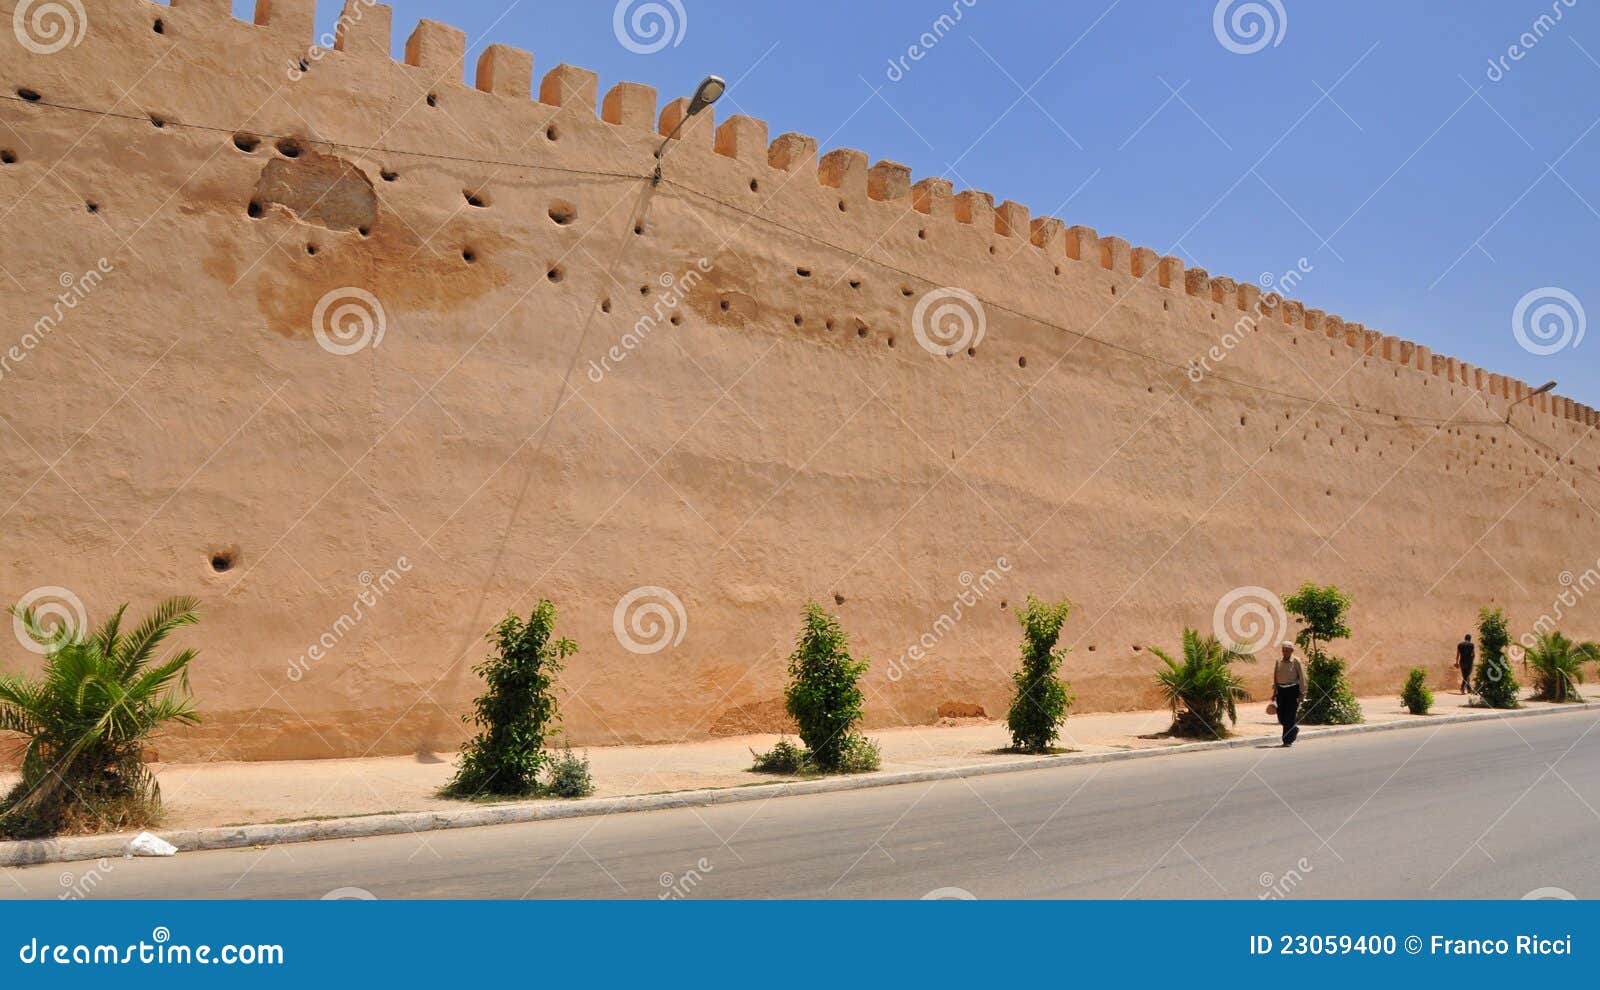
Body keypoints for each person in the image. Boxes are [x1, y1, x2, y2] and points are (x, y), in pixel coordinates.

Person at [1272, 641, 1307, 747]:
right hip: (1281, 691)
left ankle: (1287, 740)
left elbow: (1303, 677)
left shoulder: (1296, 661)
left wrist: (1302, 693)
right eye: (1283, 651)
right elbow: (1275, 677)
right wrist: (1274, 692)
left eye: (1287, 651)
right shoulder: (1278, 661)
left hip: (1293, 690)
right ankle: (1294, 729)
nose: (1285, 653)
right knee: (1281, 715)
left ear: (1292, 651)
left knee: (1290, 716)